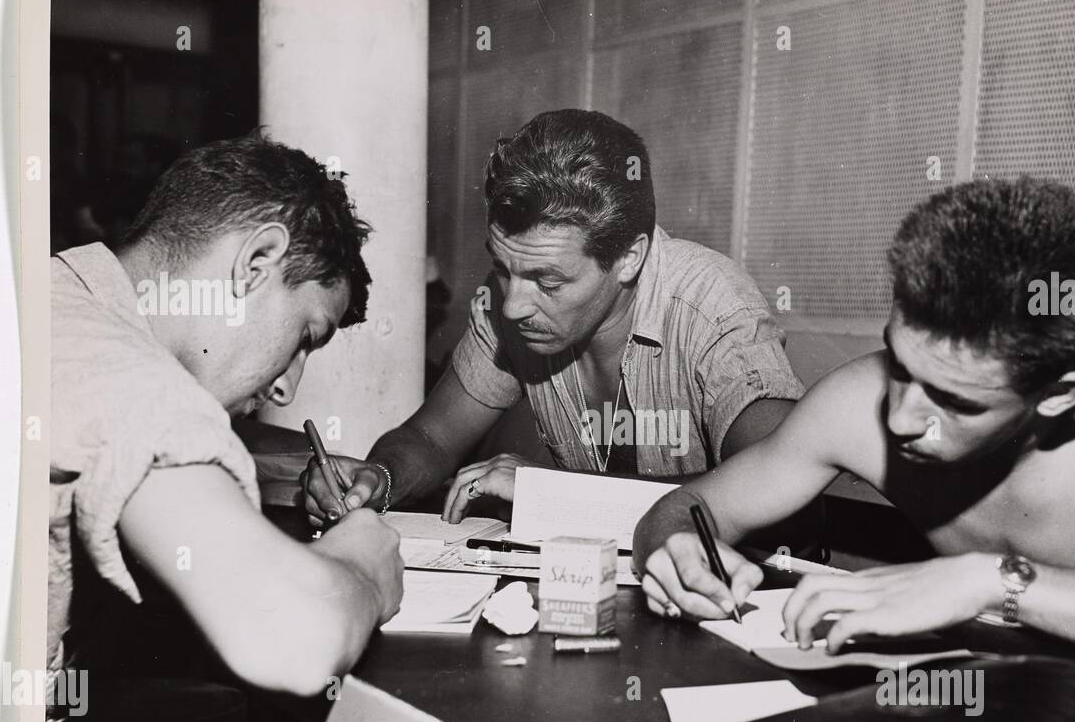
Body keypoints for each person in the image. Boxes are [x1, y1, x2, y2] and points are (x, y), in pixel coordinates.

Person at [633, 177, 1075, 665]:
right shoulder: (857, 401)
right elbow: (687, 508)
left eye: (955, 401)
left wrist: (992, 582)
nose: (904, 417)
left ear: (1058, 396)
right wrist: (675, 553)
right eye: (901, 366)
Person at [47, 133, 404, 722]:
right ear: (256, 262)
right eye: (305, 335)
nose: (286, 386)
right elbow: (291, 634)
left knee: (221, 717)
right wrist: (365, 565)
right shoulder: (123, 374)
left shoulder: (53, 300)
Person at [301, 109, 805, 528]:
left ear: (629, 258)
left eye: (549, 282)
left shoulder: (712, 304)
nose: (515, 304)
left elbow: (782, 488)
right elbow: (431, 439)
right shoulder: (514, 302)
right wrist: (379, 478)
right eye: (503, 269)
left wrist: (559, 495)